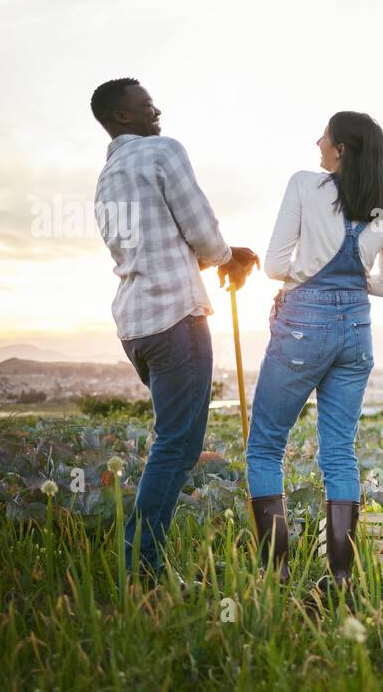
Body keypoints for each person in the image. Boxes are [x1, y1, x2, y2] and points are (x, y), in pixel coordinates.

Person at [90, 77, 259, 577]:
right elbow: (202, 231)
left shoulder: (107, 177)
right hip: (175, 318)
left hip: (136, 327)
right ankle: (141, 565)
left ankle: (141, 558)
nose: (155, 110)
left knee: (171, 439)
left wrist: (224, 257)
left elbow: (157, 249)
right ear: (122, 116)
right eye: (145, 105)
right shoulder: (162, 151)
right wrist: (231, 257)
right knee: (179, 444)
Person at [246, 111, 383, 587]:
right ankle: (339, 577)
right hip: (357, 328)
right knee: (339, 451)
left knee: (266, 445)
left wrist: (308, 277)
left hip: (304, 324)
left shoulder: (304, 185)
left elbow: (275, 265)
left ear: (341, 150)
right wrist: (349, 279)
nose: (318, 142)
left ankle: (275, 573)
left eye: (325, 137)